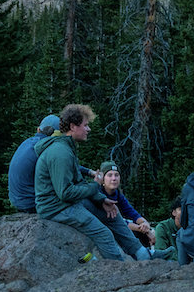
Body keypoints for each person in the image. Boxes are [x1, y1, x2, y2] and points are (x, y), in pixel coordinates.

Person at [34, 104, 126, 261]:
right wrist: (96, 185)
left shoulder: (66, 148)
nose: (88, 129)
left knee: (110, 215)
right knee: (104, 234)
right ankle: (120, 276)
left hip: (63, 203)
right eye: (85, 125)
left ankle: (140, 253)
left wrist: (100, 198)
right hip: (55, 208)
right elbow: (65, 193)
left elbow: (78, 182)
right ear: (72, 126)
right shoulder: (60, 153)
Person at [86, 161, 152, 261]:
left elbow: (131, 212)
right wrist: (139, 228)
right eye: (110, 175)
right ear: (102, 178)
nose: (114, 178)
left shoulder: (117, 195)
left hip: (115, 228)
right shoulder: (97, 193)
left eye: (116, 175)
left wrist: (145, 223)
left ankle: (146, 256)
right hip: (98, 230)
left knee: (143, 233)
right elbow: (112, 221)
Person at [8, 114, 62, 213]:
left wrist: (88, 171)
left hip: (17, 200)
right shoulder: (44, 148)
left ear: (38, 130)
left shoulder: (27, 142)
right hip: (31, 203)